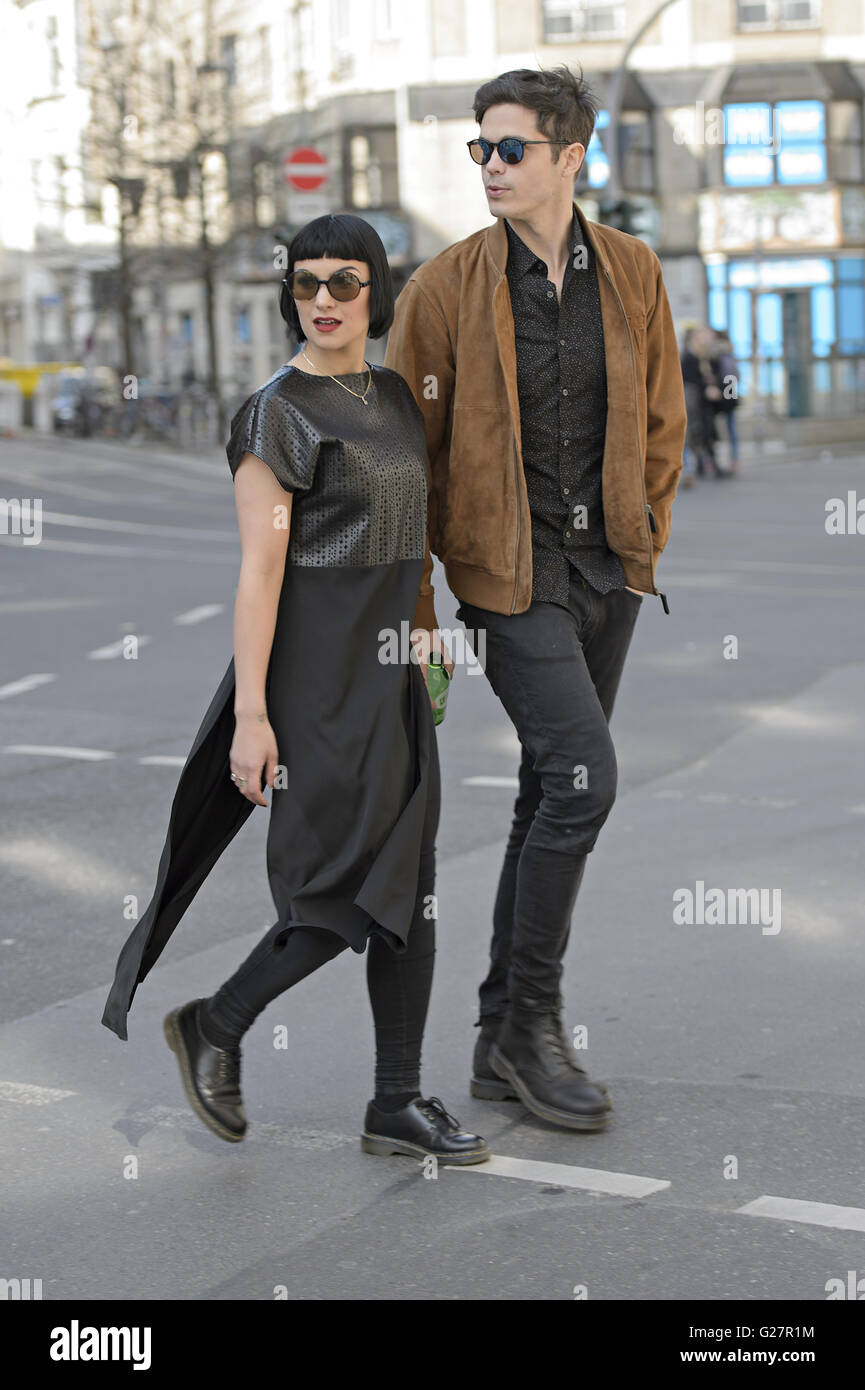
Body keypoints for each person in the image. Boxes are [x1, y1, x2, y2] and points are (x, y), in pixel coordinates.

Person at [101, 212, 491, 1167]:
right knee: (336, 889)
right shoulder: (275, 413)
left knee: (410, 887)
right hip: (314, 677)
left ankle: (394, 1102)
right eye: (306, 282)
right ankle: (216, 1023)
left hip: (392, 671)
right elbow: (261, 575)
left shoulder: (396, 396)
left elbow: (414, 545)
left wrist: (428, 635)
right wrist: (251, 717)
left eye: (344, 282)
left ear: (374, 291)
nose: (322, 299)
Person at [384, 64, 687, 1132]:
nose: (491, 166)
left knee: (542, 794)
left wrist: (640, 528)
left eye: (511, 148)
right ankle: (531, 1024)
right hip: (508, 579)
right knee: (583, 782)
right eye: (482, 148)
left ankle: (492, 1037)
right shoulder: (442, 288)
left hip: (604, 570)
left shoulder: (632, 270)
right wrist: (416, 609)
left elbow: (660, 417)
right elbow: (400, 460)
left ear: (570, 157)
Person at [709, 329, 741, 475]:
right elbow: (734, 377)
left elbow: (728, 376)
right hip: (729, 395)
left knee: (716, 429)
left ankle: (715, 460)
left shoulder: (717, 353)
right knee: (730, 429)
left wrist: (723, 395)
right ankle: (733, 460)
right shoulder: (729, 354)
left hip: (721, 396)